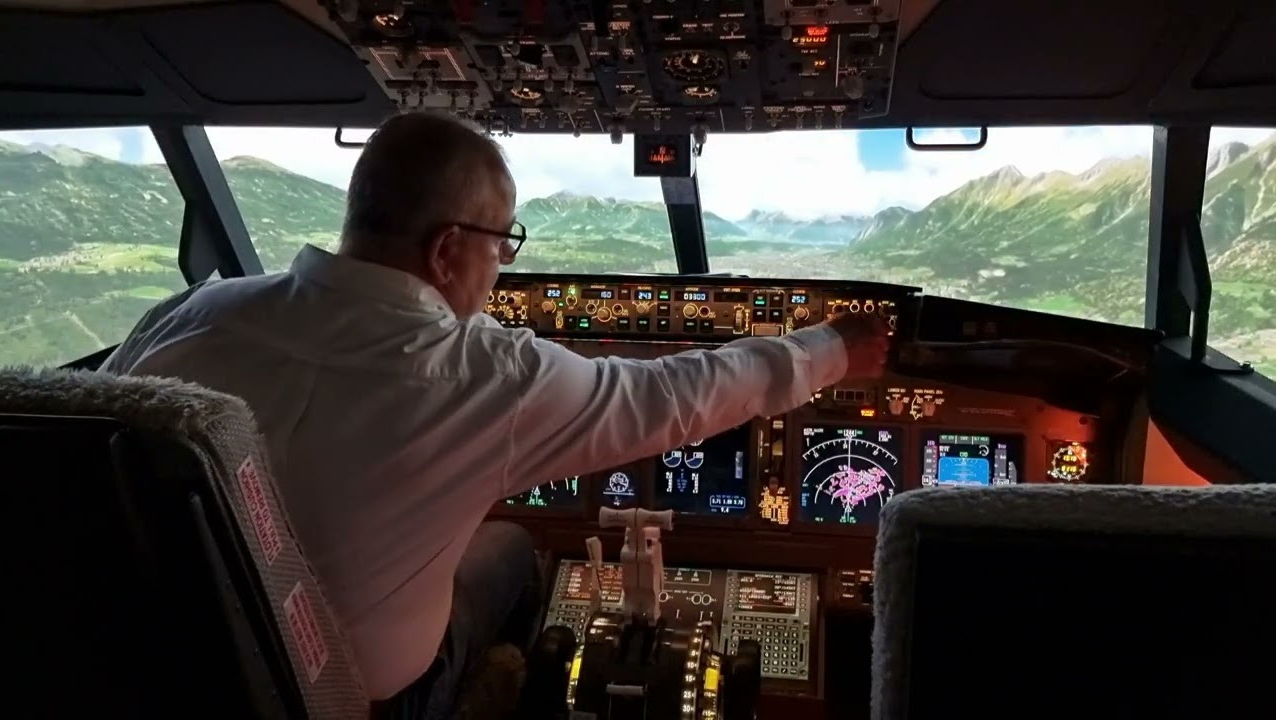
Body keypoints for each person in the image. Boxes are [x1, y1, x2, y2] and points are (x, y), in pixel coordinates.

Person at [100, 111, 890, 718]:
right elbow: (675, 399)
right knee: (511, 552)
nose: (500, 265)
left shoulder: (191, 313)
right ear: (447, 251)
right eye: (500, 244)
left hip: (145, 666)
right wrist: (834, 349)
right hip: (347, 701)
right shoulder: (486, 376)